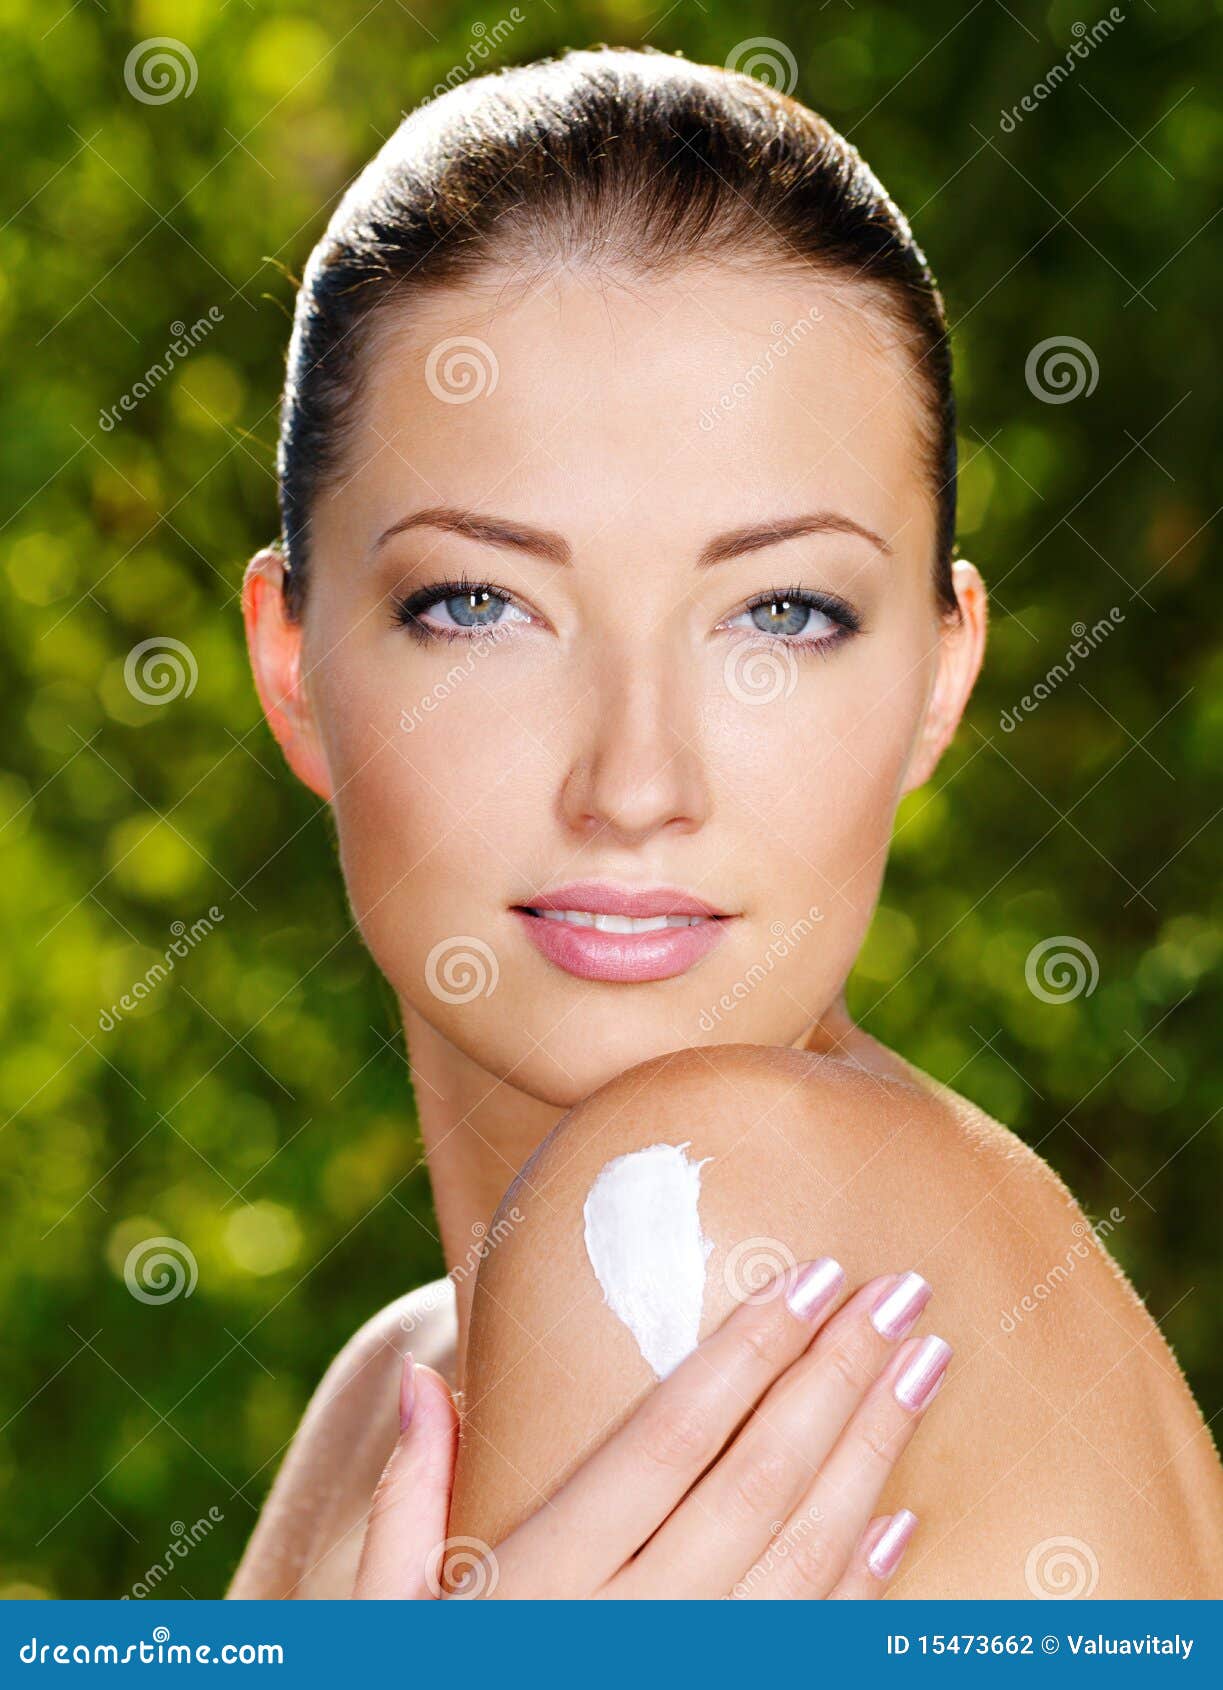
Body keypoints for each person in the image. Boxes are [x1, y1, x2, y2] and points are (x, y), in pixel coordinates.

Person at [230, 46, 1223, 1598]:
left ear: (940, 678)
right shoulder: (386, 1389)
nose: (636, 782)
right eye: (480, 602)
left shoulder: (701, 1206)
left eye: (783, 611)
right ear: (293, 665)